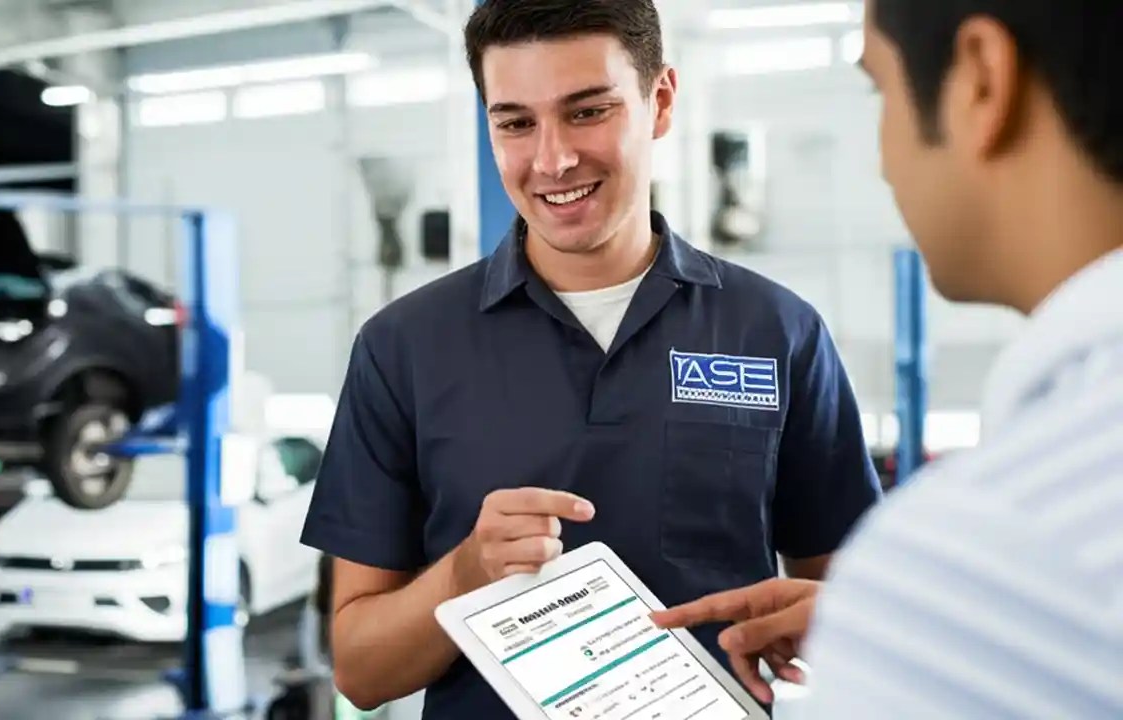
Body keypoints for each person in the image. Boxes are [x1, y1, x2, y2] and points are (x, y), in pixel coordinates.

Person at [299, 0, 883, 716]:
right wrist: (464, 573)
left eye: (586, 112)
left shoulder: (776, 333)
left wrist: (831, 629)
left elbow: (857, 614)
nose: (552, 159)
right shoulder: (403, 348)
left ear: (660, 101)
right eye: (515, 122)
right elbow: (360, 671)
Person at [652, 0, 1123, 716]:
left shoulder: (992, 548)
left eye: (881, 90)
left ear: (980, 81)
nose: (881, 159)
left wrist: (902, 624)